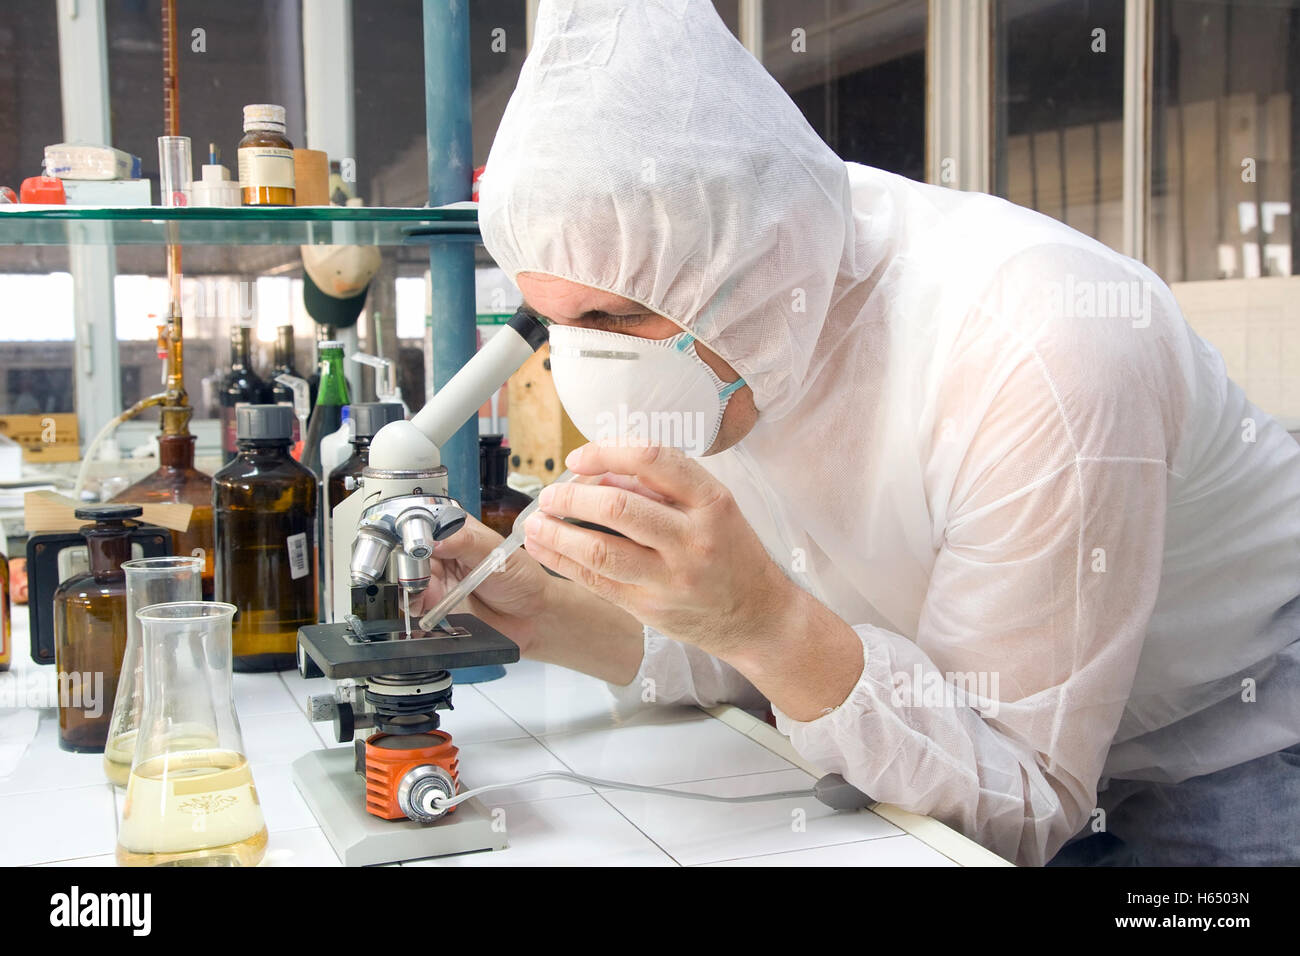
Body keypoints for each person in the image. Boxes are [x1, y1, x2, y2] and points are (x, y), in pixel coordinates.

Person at [418, 0, 1300, 866]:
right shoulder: (734, 313)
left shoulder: (1035, 345)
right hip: (966, 740)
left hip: (1220, 731)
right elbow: (737, 649)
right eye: (555, 323)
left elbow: (1026, 809)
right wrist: (545, 614)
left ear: (733, 269)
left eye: (610, 316)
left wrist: (767, 622)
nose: (584, 364)